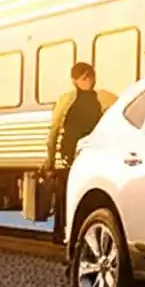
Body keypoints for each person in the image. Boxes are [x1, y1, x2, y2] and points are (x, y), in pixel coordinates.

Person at [41, 62, 117, 244]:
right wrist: (50, 159)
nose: (89, 81)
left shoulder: (103, 97)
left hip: (91, 154)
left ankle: (80, 233)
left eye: (91, 76)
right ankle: (59, 233)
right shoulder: (66, 100)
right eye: (84, 78)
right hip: (67, 156)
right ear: (74, 80)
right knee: (64, 197)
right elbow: (55, 129)